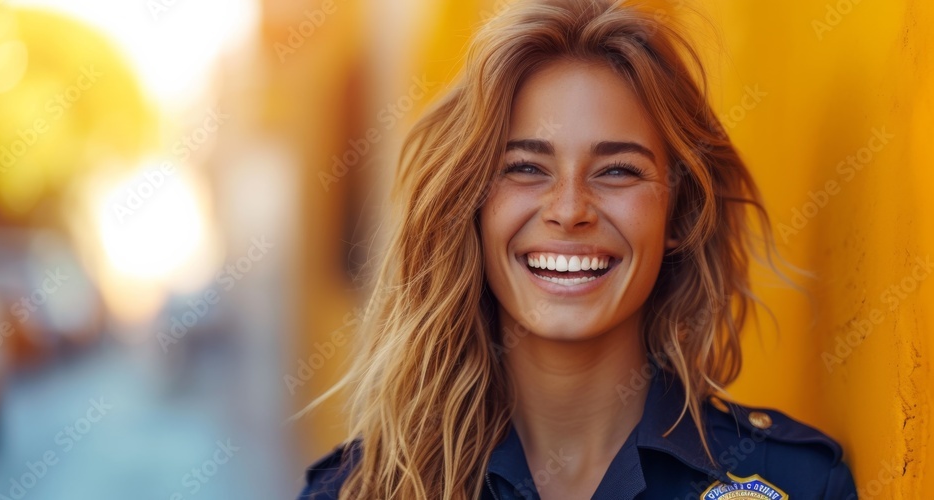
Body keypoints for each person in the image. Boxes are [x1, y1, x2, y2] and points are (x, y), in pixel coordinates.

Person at [297, 0, 858, 498]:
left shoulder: (798, 484)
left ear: (678, 211)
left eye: (617, 169)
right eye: (524, 168)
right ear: (470, 208)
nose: (569, 209)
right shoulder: (357, 491)